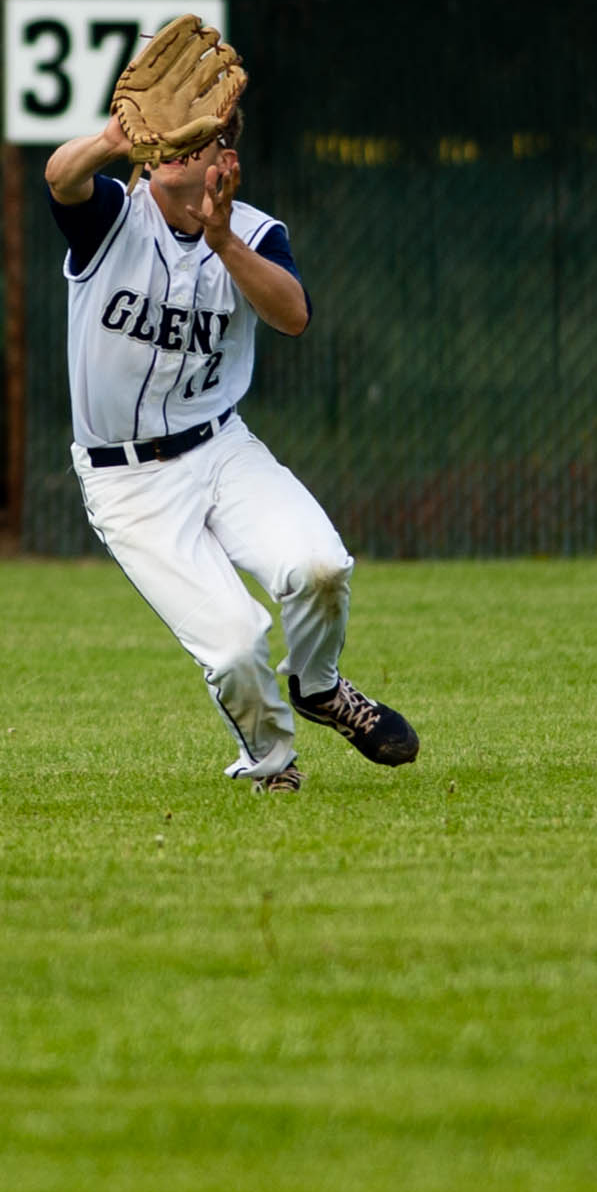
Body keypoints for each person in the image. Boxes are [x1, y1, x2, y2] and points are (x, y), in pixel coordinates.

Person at [43, 101, 419, 792]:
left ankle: (317, 684)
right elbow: (59, 179)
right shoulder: (111, 217)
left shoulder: (252, 233)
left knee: (319, 567)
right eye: (171, 129)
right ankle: (273, 763)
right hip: (127, 482)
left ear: (226, 161)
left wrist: (223, 242)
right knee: (236, 643)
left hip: (220, 448)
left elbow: (293, 315)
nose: (180, 143)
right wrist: (107, 140)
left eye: (200, 134)